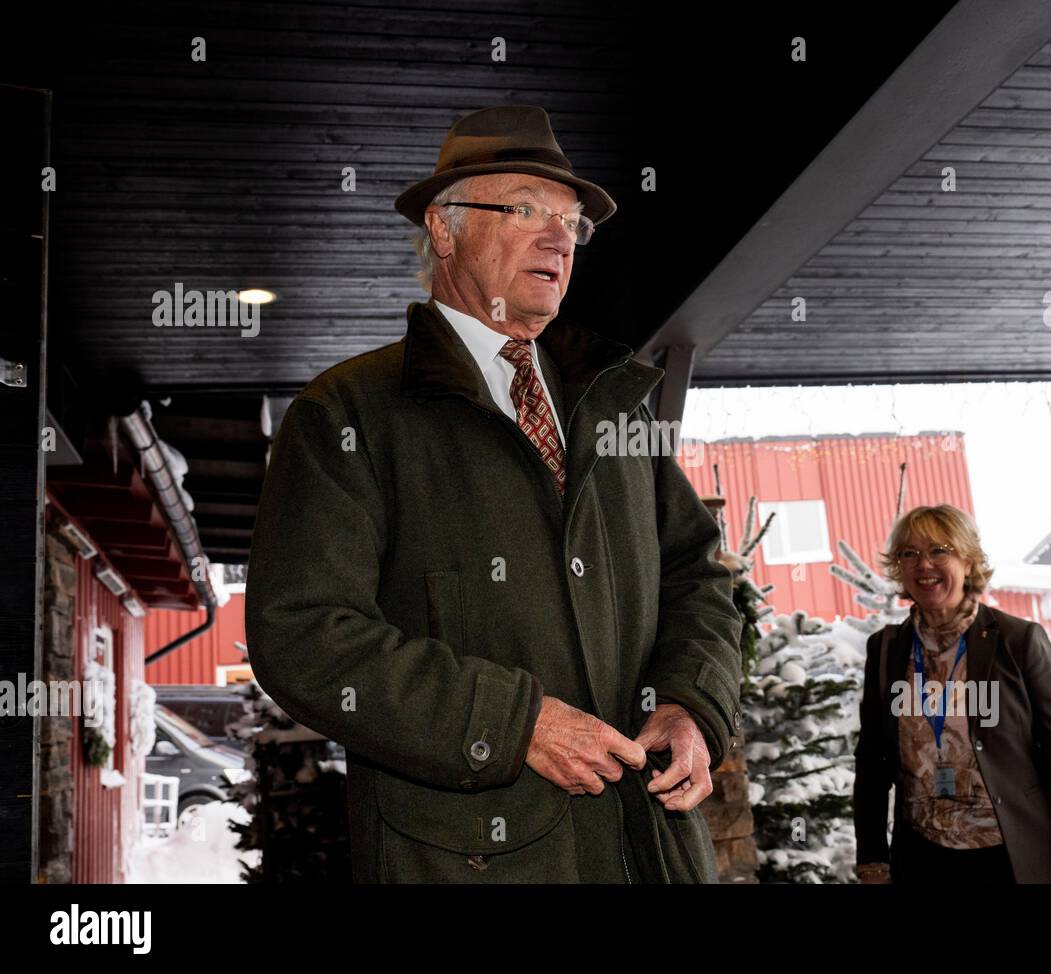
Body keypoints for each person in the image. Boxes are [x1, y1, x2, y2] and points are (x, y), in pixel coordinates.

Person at [245, 105, 742, 883]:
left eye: (570, 223)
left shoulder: (610, 405)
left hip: (652, 854)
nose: (557, 239)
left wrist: (690, 704)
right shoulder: (347, 413)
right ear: (444, 231)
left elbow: (699, 578)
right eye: (524, 211)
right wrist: (515, 725)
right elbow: (303, 635)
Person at [854, 504, 1051, 884]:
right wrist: (873, 859)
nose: (923, 564)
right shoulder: (887, 649)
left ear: (968, 562)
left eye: (939, 550)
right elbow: (872, 763)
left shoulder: (1017, 640)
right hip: (922, 859)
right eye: (909, 554)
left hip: (1010, 857)